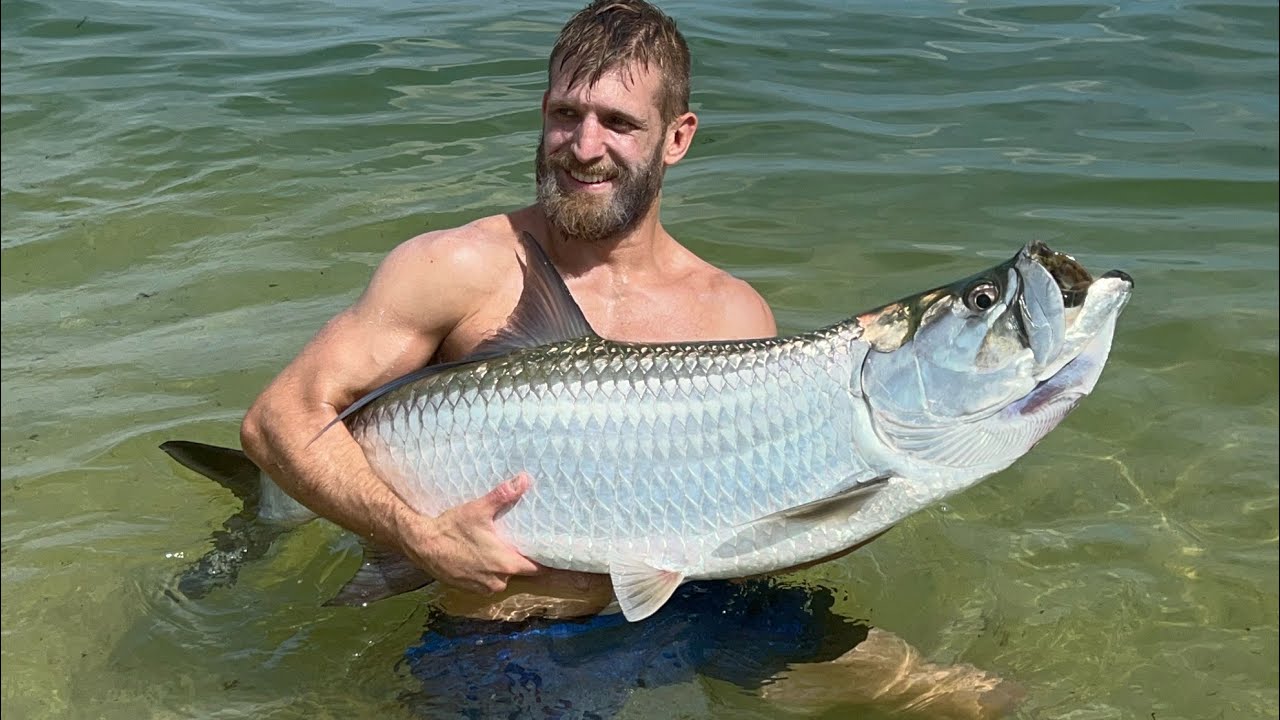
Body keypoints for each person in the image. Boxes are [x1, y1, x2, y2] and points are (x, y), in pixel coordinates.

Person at [239, 1, 1021, 716]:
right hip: (516, 635)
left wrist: (903, 472)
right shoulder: (459, 268)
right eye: (565, 114)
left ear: (677, 137)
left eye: (618, 122)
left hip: (701, 604)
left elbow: (771, 528)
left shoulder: (729, 312)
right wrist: (417, 538)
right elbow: (278, 421)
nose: (584, 148)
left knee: (966, 703)